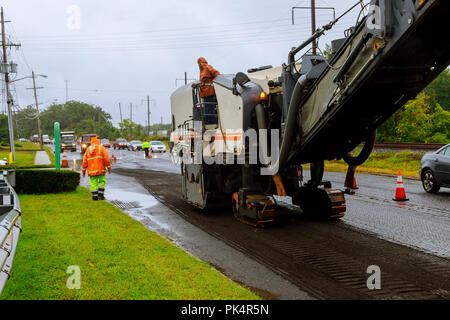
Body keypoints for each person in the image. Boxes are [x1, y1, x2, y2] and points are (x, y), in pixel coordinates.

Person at [82, 136, 111, 201]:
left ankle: (95, 197)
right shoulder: (102, 148)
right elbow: (106, 159)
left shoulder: (88, 150)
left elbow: (84, 162)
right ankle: (101, 196)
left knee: (93, 183)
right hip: (101, 169)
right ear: (98, 142)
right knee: (102, 182)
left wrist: (83, 171)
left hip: (91, 171)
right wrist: (109, 168)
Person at [194, 57, 220, 125]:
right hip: (205, 94)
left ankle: (211, 124)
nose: (198, 65)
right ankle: (209, 123)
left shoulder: (208, 67)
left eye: (198, 63)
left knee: (210, 110)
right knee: (207, 110)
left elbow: (217, 74)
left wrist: (214, 84)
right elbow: (203, 81)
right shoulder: (202, 71)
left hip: (210, 93)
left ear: (200, 63)